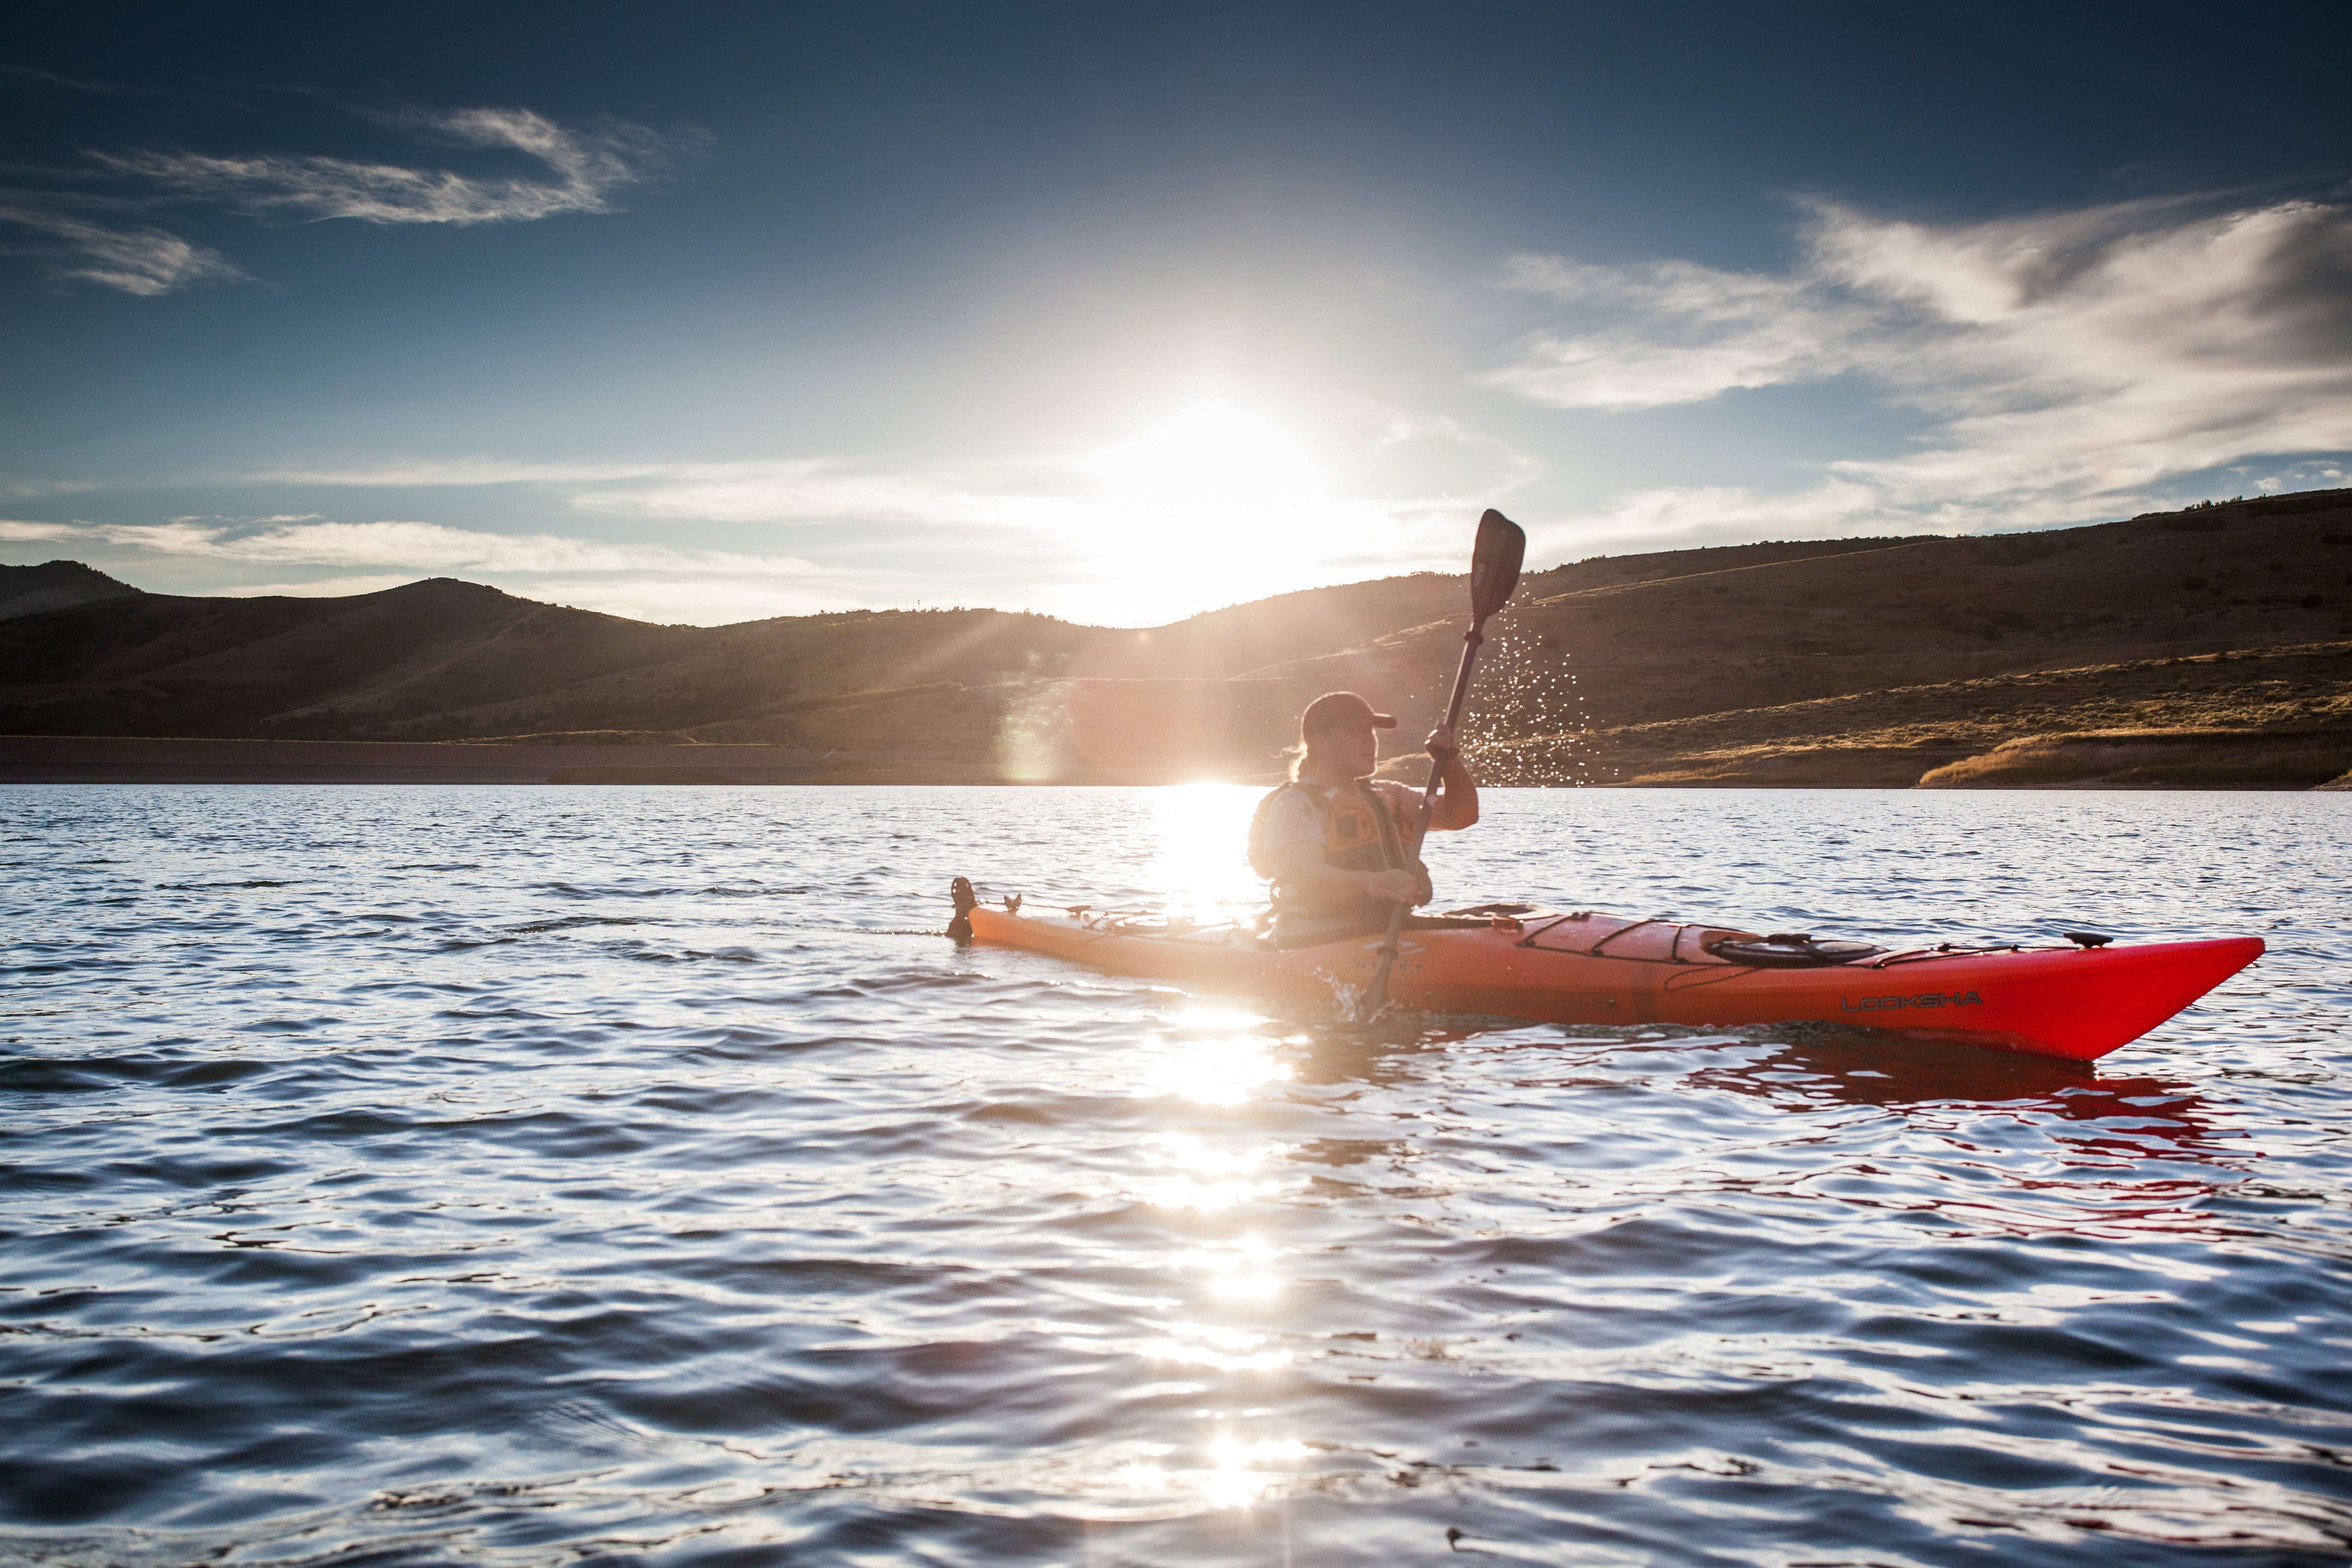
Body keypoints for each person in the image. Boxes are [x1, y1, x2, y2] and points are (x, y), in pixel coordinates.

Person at [1247, 690, 1478, 940]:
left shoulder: (1387, 795)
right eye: (1358, 732)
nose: (1371, 741)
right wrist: (1372, 883)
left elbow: (1460, 816)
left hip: (1387, 931)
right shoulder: (1295, 803)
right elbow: (1307, 878)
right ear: (1321, 743)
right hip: (1314, 937)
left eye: (1372, 732)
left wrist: (1449, 763)